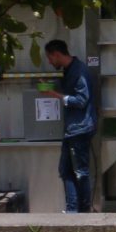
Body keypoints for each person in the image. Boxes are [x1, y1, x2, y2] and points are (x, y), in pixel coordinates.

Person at [45, 39, 97, 212]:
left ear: (57, 54)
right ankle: (73, 209)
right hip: (72, 129)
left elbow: (82, 100)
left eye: (50, 58)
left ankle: (82, 210)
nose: (49, 62)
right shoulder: (69, 70)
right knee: (66, 169)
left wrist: (56, 95)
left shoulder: (79, 70)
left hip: (80, 128)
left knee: (80, 172)